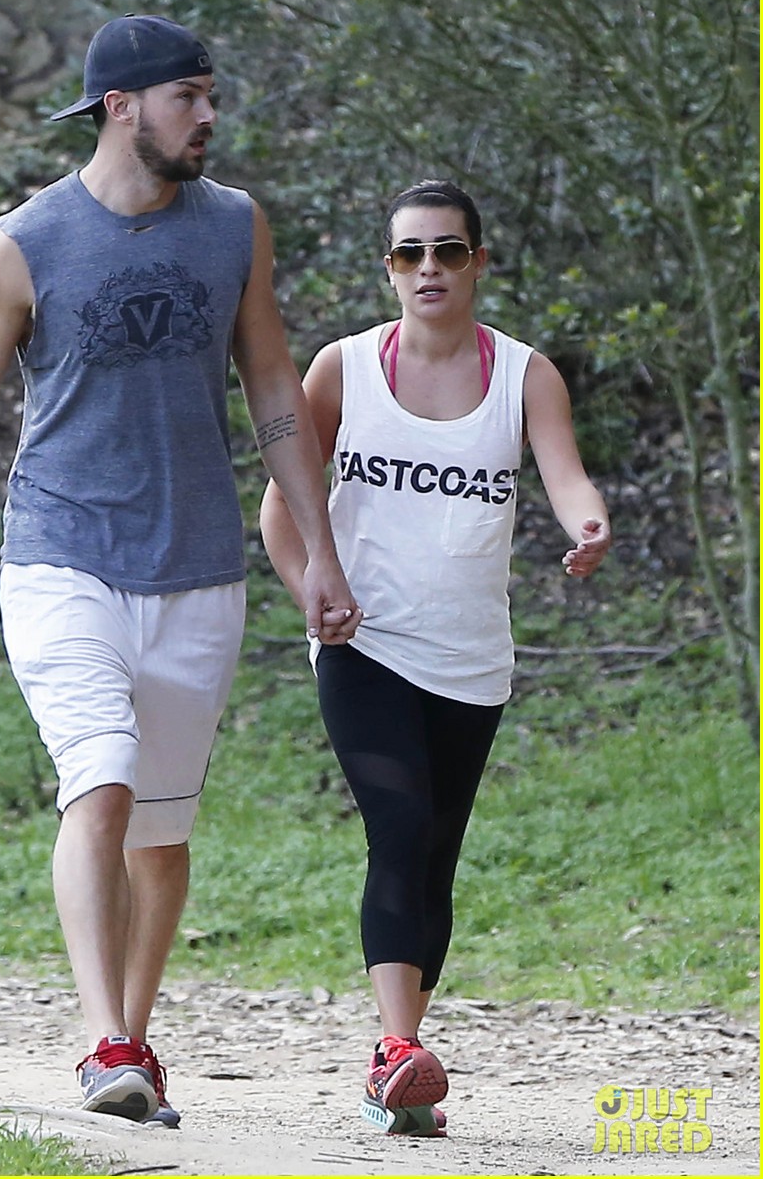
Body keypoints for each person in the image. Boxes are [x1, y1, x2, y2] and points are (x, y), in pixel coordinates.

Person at [0, 14, 359, 1128]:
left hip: (198, 568)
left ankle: (135, 1039)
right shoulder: (25, 241)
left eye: (210, 95)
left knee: (161, 830)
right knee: (99, 778)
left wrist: (319, 557)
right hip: (62, 557)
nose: (208, 115)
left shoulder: (234, 226)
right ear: (120, 107)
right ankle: (104, 1042)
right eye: (188, 95)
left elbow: (276, 389)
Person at [260, 179, 611, 1137]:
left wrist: (586, 524)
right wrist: (311, 594)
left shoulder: (525, 375)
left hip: (469, 659)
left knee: (436, 857)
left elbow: (564, 470)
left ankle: (400, 1066)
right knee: (399, 823)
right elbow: (280, 508)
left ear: (477, 264)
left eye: (446, 252)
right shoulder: (342, 371)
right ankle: (396, 1049)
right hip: (363, 643)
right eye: (409, 253)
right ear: (388, 267)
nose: (427, 269)